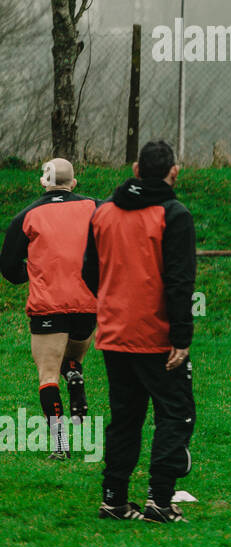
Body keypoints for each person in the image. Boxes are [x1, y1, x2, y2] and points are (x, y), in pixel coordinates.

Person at [82, 140, 196, 522]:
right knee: (175, 414)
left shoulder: (103, 213)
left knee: (125, 418)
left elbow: (88, 272)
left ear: (135, 169)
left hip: (114, 333)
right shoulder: (173, 214)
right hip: (155, 336)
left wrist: (114, 300)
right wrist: (181, 337)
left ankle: (113, 499)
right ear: (173, 172)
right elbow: (180, 281)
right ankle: (160, 501)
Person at [1, 158, 100, 458]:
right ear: (74, 183)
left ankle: (60, 444)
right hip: (87, 303)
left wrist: (27, 274)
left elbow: (7, 265)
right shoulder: (96, 206)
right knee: (73, 353)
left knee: (47, 373)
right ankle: (76, 376)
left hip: (48, 306)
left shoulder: (27, 215)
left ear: (43, 182)